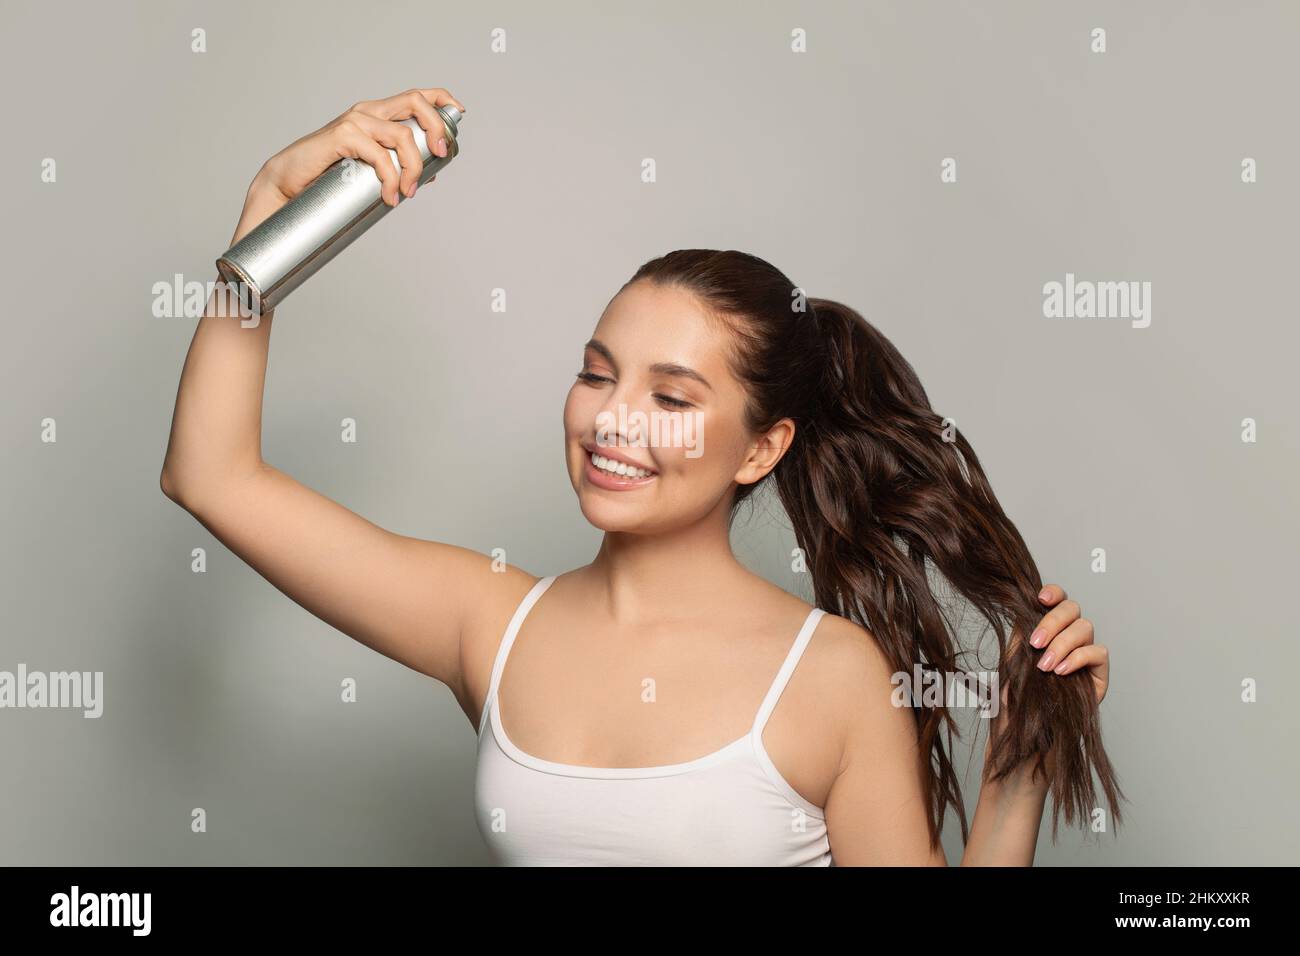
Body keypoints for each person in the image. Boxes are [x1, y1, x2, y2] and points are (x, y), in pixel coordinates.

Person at [161, 85, 1120, 866]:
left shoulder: (831, 676)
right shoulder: (491, 624)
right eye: (595, 373)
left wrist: (1015, 792)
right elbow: (213, 476)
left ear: (761, 448)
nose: (611, 419)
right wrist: (265, 227)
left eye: (672, 398)